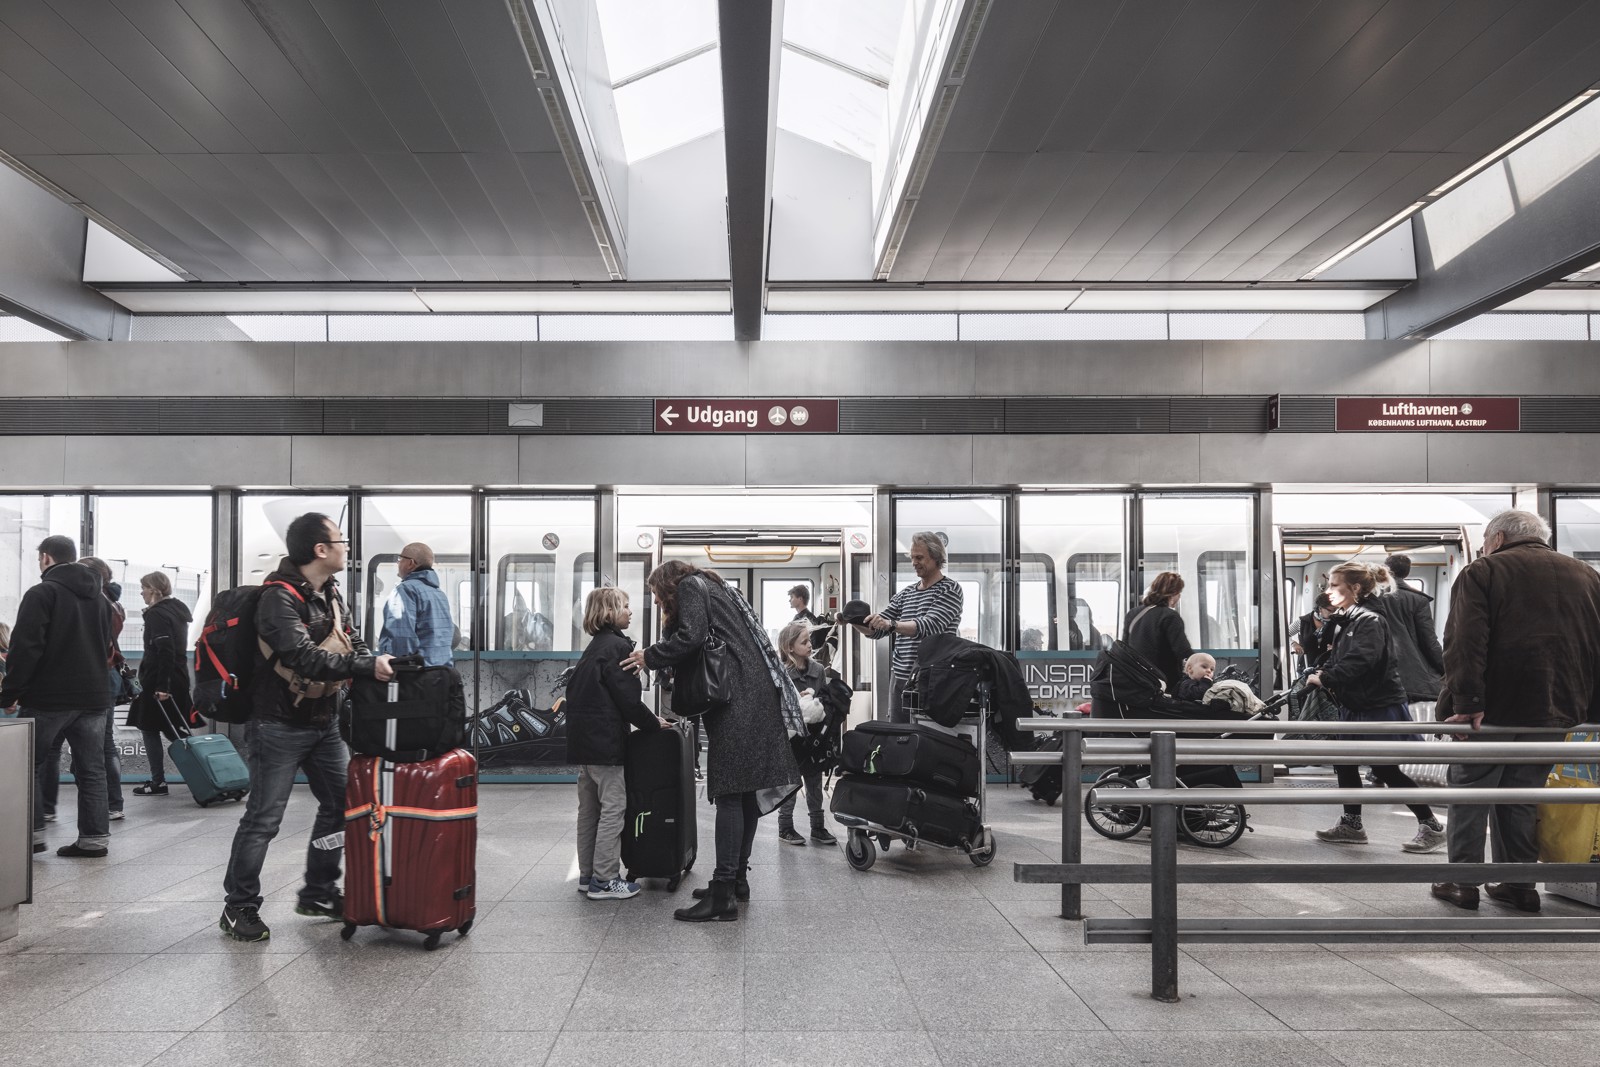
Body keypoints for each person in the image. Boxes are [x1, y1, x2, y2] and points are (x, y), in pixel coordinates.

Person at [220, 513, 395, 943]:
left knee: (341, 805)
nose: (346, 547)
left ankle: (318, 892)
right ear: (320, 549)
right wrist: (364, 666)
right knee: (264, 818)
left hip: (324, 721)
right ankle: (238, 906)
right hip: (277, 723)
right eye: (341, 540)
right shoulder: (277, 599)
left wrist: (370, 658)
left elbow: (350, 639)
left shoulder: (329, 592)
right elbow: (302, 657)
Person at [1432, 510, 1600, 913]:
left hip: (1493, 710)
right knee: (1522, 796)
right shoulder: (1588, 576)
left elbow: (1464, 641)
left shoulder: (1484, 571)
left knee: (1471, 794)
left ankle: (1463, 882)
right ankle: (1519, 884)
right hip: (1559, 708)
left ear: (1499, 538)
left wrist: (1467, 703)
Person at [622, 560, 801, 922]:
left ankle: (722, 894)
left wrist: (649, 656)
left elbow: (692, 637)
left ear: (668, 585)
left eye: (656, 595)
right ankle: (736, 880)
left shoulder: (689, 586)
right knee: (745, 792)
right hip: (755, 695)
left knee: (730, 793)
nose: (656, 602)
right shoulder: (716, 587)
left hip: (737, 701)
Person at [1307, 561, 1446, 853]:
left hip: (1377, 704)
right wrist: (1324, 669)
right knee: (1346, 763)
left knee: (1384, 768)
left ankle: (1431, 826)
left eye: (1334, 585)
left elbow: (1362, 659)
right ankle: (1351, 824)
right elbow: (1343, 657)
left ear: (1355, 588)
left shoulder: (1369, 620)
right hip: (1358, 702)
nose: (1328, 591)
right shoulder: (1351, 618)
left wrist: (1327, 677)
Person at [0, 535, 116, 858]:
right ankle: (94, 840)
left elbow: (25, 649)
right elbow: (105, 647)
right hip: (94, 698)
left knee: (30, 765)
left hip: (48, 698)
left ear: (46, 558)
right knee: (92, 770)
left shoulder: (41, 594)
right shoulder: (100, 599)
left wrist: (10, 694)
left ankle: (33, 836)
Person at [567, 587, 665, 901]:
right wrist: (654, 724)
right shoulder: (618, 647)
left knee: (589, 811)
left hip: (583, 744)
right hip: (606, 744)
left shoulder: (594, 647)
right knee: (613, 809)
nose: (630, 611)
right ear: (609, 611)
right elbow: (628, 700)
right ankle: (606, 879)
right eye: (625, 606)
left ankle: (587, 875)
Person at [854, 532, 963, 723]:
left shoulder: (950, 590)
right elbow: (878, 629)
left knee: (928, 734)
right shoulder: (906, 594)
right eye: (912, 557)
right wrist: (854, 621)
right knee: (899, 735)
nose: (914, 562)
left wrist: (891, 624)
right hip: (900, 678)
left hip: (932, 679)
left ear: (936, 558)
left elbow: (929, 626)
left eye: (919, 557)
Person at [125, 572, 194, 798]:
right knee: (173, 730)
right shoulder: (177, 611)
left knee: (150, 727)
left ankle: (158, 782)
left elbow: (165, 651)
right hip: (178, 677)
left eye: (144, 587)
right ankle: (209, 770)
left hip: (159, 681)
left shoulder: (156, 614)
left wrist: (162, 686)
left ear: (154, 590)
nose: (141, 592)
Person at [773, 621, 838, 847]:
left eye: (809, 640)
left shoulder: (818, 670)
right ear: (789, 647)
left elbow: (824, 699)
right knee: (790, 783)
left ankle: (817, 827)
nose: (810, 645)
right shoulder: (781, 673)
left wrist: (815, 702)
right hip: (790, 737)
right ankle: (785, 827)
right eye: (804, 642)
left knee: (814, 782)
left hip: (814, 736)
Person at [1369, 553, 1445, 719]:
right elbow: (1429, 642)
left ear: (1386, 570)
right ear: (1407, 572)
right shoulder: (1418, 600)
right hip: (1411, 678)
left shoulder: (1371, 597)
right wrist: (1446, 669)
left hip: (1376, 674)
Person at [379, 542, 455, 667]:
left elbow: (401, 637)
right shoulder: (439, 594)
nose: (398, 563)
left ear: (411, 563)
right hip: (441, 671)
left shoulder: (405, 590)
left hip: (416, 673)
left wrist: (399, 667)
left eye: (400, 559)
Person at [1124, 572, 1193, 696]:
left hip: (1136, 680)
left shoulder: (1133, 614)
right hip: (1164, 682)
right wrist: (1202, 662)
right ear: (1173, 594)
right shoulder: (1170, 616)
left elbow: (1124, 646)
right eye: (1179, 593)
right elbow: (1182, 650)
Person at [1292, 592, 1337, 667]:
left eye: (1335, 610)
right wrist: (1293, 644)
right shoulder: (1303, 621)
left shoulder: (1336, 622)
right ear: (1320, 608)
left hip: (1327, 667)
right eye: (1330, 610)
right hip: (1305, 665)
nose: (1333, 613)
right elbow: (1284, 634)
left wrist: (1336, 647)